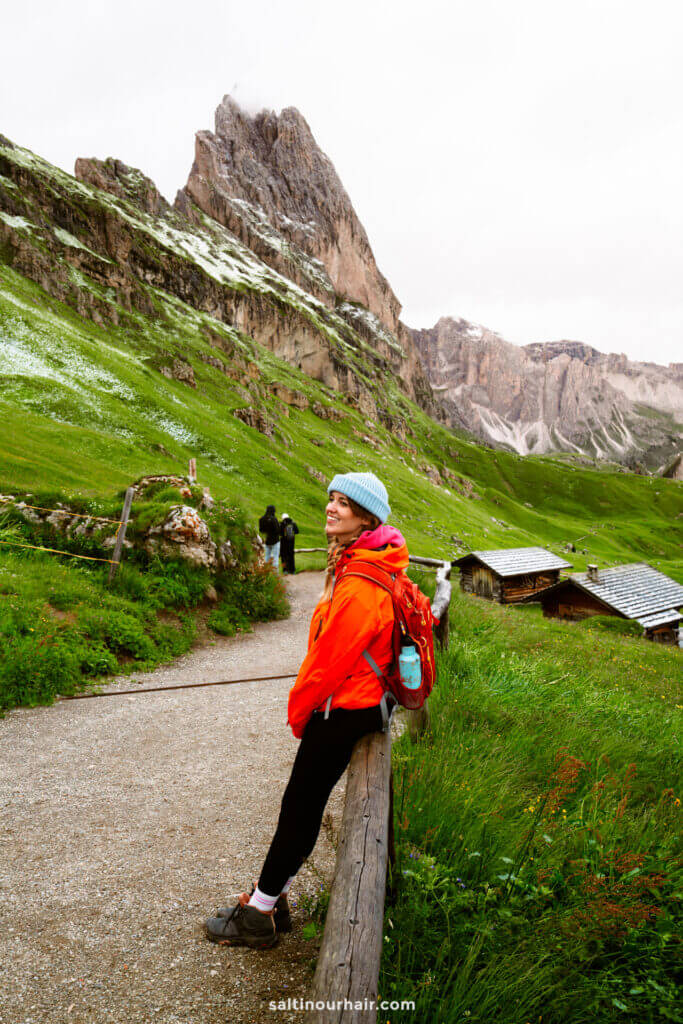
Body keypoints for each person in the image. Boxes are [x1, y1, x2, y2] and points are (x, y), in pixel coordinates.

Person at [204, 471, 407, 948]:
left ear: (365, 518)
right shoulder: (371, 561)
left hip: (346, 707)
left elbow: (326, 665)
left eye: (343, 503)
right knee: (304, 806)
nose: (331, 508)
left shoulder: (361, 583)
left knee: (298, 808)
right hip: (361, 702)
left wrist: (300, 715)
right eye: (331, 498)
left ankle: (258, 914)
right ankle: (270, 897)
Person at [258, 504, 280, 572]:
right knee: (275, 557)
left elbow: (261, 530)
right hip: (275, 540)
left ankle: (266, 573)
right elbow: (277, 530)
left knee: (266, 557)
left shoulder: (261, 519)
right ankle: (275, 574)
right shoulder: (274, 519)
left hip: (267, 540)